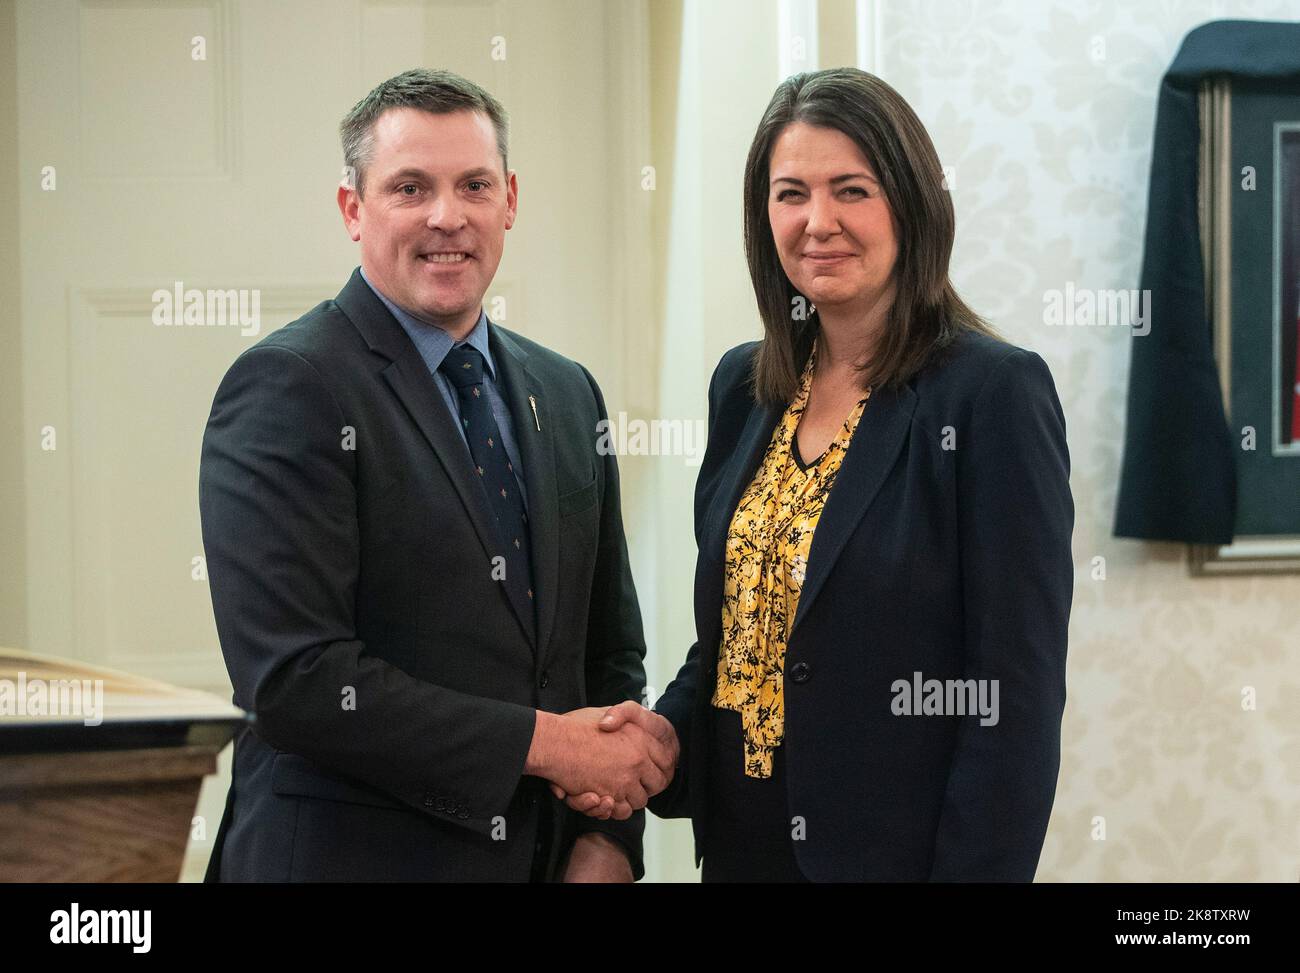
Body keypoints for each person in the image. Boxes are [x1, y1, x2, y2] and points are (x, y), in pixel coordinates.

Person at [562, 67, 1074, 882]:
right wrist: (663, 737)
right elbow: (740, 637)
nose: (817, 222)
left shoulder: (991, 394)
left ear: (910, 203)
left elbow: (1012, 697)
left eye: (852, 191)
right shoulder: (743, 387)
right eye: (790, 192)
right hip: (739, 855)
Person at [199, 68, 675, 882]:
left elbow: (606, 654)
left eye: (473, 185)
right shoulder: (288, 386)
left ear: (510, 201)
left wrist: (608, 843)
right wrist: (550, 744)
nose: (446, 216)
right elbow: (299, 680)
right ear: (354, 209)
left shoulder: (566, 393)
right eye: (410, 187)